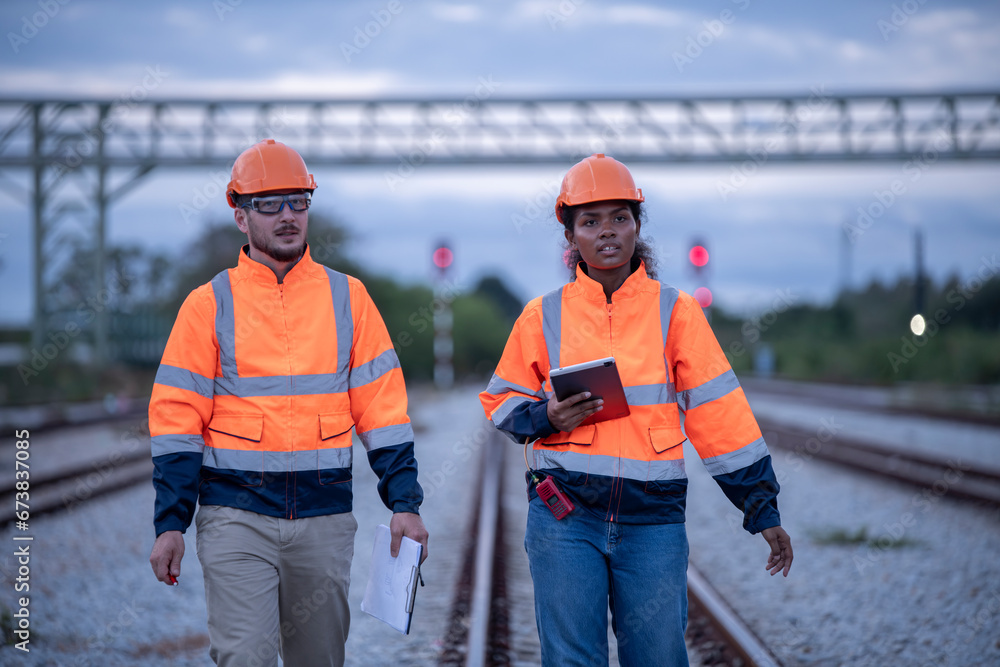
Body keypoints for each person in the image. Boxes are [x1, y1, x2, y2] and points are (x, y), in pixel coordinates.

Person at [479, 153, 793, 666]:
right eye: (591, 220)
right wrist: (546, 417)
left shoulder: (676, 312)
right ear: (570, 235)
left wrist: (760, 506)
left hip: (653, 521)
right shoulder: (543, 315)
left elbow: (719, 414)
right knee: (572, 661)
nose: (607, 231)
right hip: (565, 516)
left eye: (620, 217)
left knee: (659, 658)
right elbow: (501, 400)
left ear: (637, 226)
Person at [148, 139, 428, 666]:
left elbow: (384, 412)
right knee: (245, 657)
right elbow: (176, 421)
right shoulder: (208, 304)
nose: (287, 216)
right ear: (239, 215)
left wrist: (405, 505)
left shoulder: (349, 298)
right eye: (269, 204)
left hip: (324, 518)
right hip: (236, 516)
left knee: (318, 660)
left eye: (298, 202)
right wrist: (170, 523)